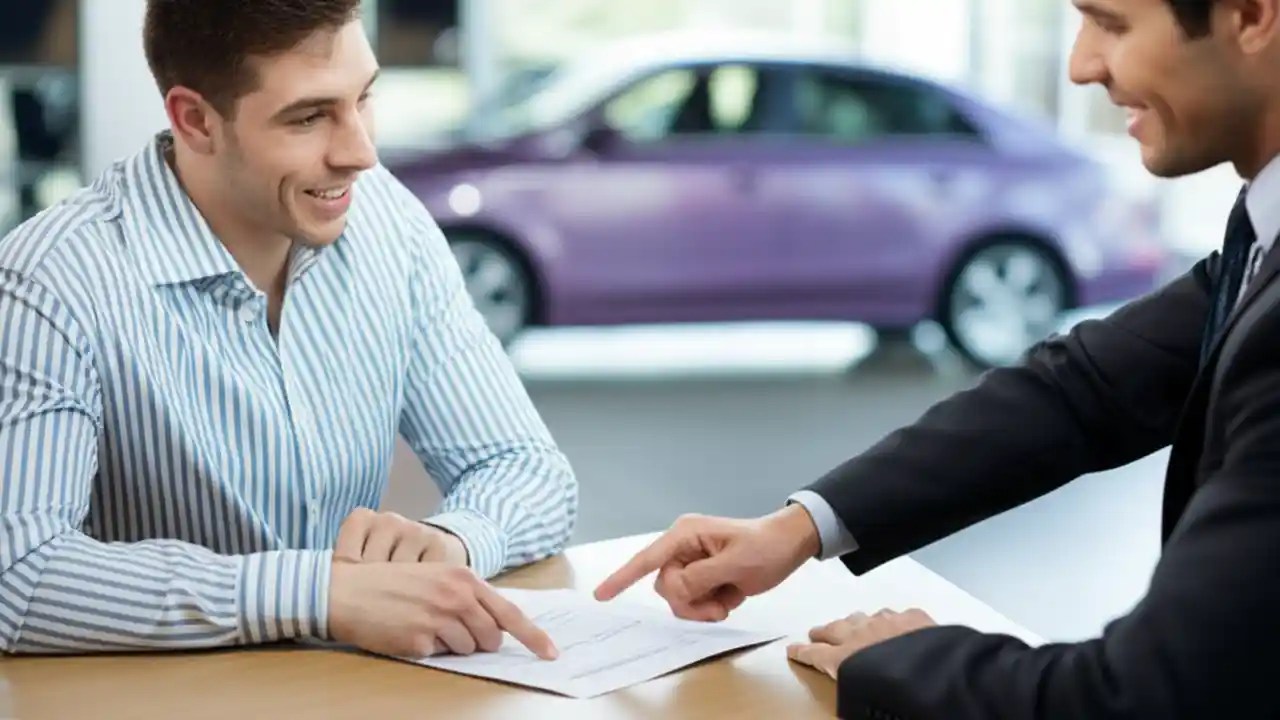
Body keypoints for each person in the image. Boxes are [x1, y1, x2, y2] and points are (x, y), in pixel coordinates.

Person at [596, 0, 1280, 716]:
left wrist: (900, 661)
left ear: (1252, 15)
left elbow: (1146, 695)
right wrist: (797, 529)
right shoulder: (1263, 225)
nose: (1081, 65)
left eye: (1110, 23)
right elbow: (1084, 391)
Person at [0, 0, 576, 662]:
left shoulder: (389, 223)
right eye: (308, 117)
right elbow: (20, 575)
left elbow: (525, 467)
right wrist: (319, 593)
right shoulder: (52, 279)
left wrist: (454, 539)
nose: (360, 152)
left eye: (365, 98)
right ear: (195, 121)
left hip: (354, 695)